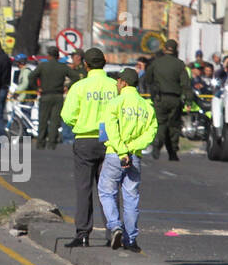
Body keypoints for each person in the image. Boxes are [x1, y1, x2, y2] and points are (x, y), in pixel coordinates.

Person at [61, 48, 117, 248]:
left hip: (85, 139)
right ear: (105, 62)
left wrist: (81, 122)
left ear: (86, 65)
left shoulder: (79, 86)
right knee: (108, 189)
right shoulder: (115, 86)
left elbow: (67, 115)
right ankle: (114, 231)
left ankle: (83, 233)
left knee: (84, 188)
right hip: (110, 140)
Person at [98, 67, 158, 253]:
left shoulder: (115, 103)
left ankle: (115, 226)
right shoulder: (147, 106)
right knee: (131, 198)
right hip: (135, 156)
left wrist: (122, 150)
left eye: (118, 81)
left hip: (115, 154)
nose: (116, 84)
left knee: (106, 192)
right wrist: (132, 148)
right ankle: (130, 239)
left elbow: (110, 130)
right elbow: (152, 131)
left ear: (123, 82)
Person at [145, 40, 193, 161]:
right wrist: (188, 101)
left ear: (164, 49)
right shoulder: (180, 64)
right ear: (176, 50)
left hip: (159, 98)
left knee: (160, 124)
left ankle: (157, 144)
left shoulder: (156, 63)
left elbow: (147, 78)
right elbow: (186, 85)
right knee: (174, 126)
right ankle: (173, 152)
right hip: (175, 99)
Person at [26, 46, 71, 149]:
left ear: (48, 56)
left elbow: (31, 76)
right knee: (55, 121)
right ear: (58, 56)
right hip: (58, 96)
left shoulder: (43, 66)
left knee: (43, 120)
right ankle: (52, 143)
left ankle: (40, 143)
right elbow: (76, 76)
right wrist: (66, 86)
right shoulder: (62, 67)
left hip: (45, 95)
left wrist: (36, 88)